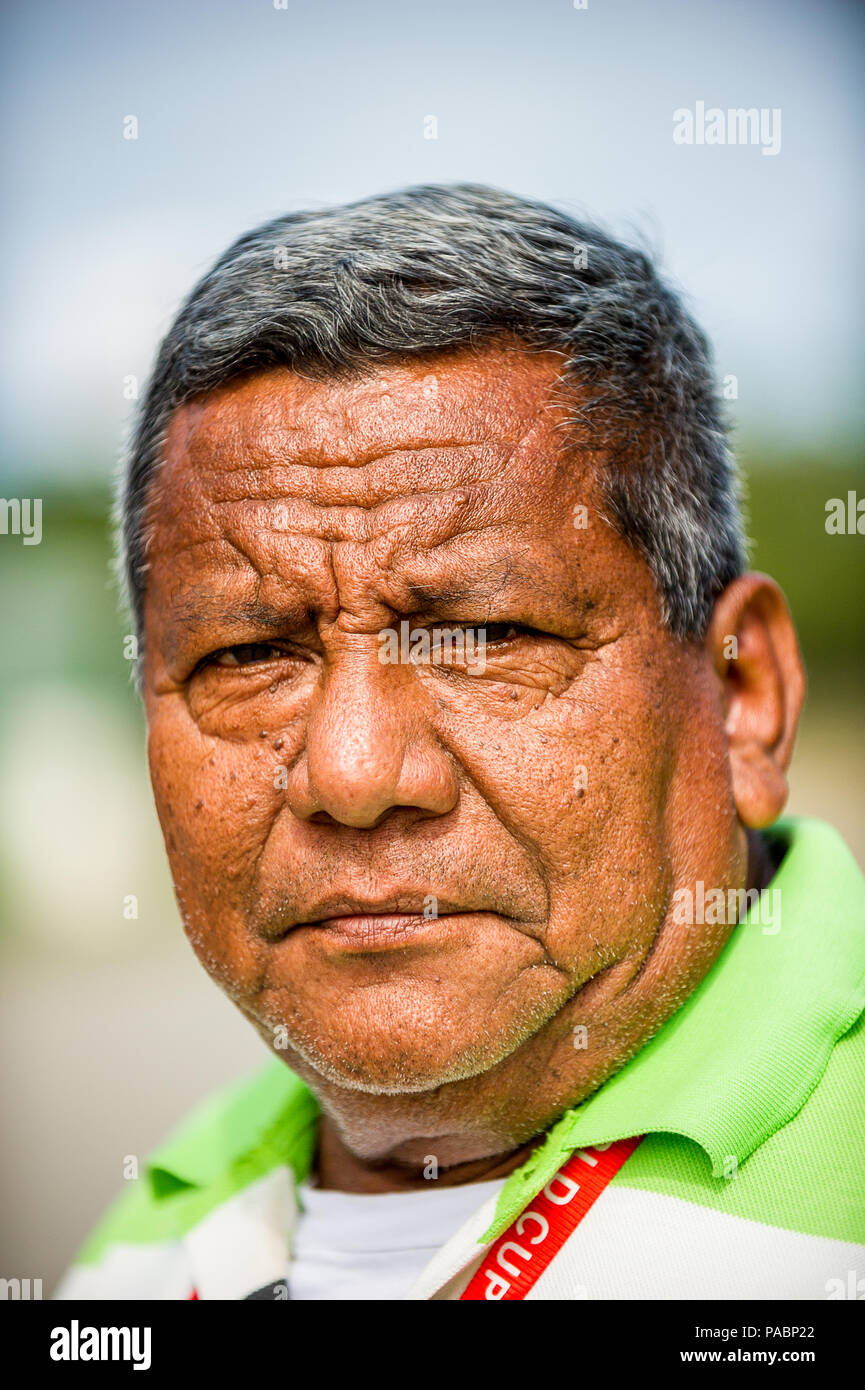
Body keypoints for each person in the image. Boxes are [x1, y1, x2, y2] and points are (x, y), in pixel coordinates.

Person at [57, 184, 865, 1300]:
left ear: (744, 697)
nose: (350, 773)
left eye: (483, 636)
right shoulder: (137, 1251)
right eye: (249, 655)